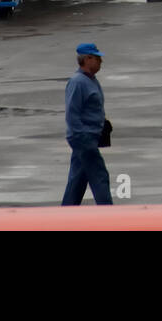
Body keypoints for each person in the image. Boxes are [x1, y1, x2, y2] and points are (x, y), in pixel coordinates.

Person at [62, 42, 112, 205]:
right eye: (97, 58)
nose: (100, 62)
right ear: (87, 59)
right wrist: (81, 137)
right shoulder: (78, 82)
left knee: (78, 180)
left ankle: (65, 214)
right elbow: (72, 113)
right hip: (84, 138)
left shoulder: (91, 81)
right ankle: (109, 215)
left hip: (89, 137)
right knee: (100, 176)